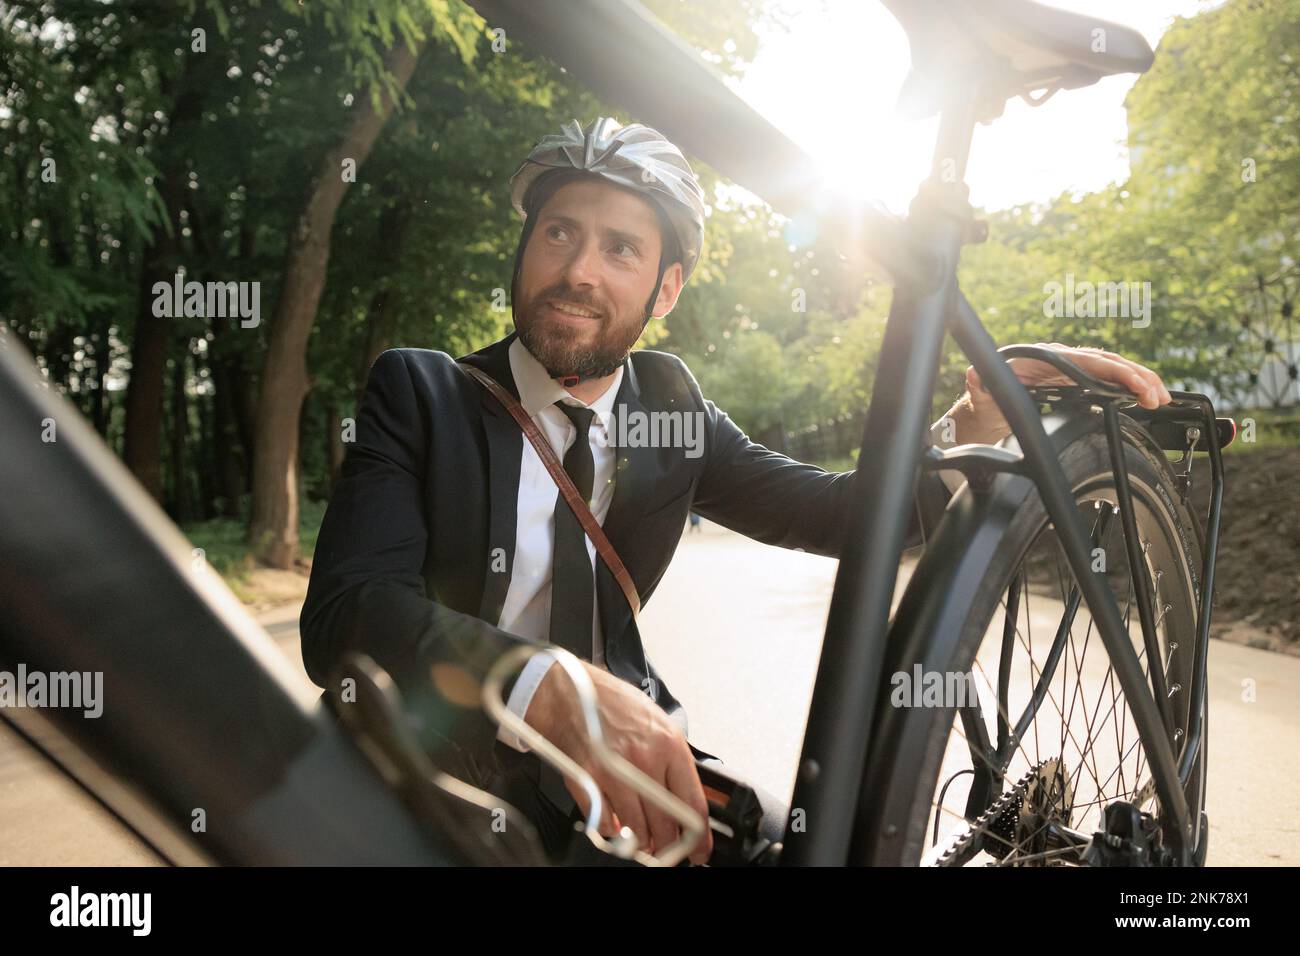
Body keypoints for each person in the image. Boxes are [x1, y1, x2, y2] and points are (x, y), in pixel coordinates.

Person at [300, 117, 1172, 866]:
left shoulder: (671, 408)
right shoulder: (423, 394)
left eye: (622, 248)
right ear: (525, 251)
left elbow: (843, 515)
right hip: (435, 767)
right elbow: (349, 611)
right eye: (559, 233)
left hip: (624, 772)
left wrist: (971, 425)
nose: (581, 271)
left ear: (665, 289)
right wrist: (541, 681)